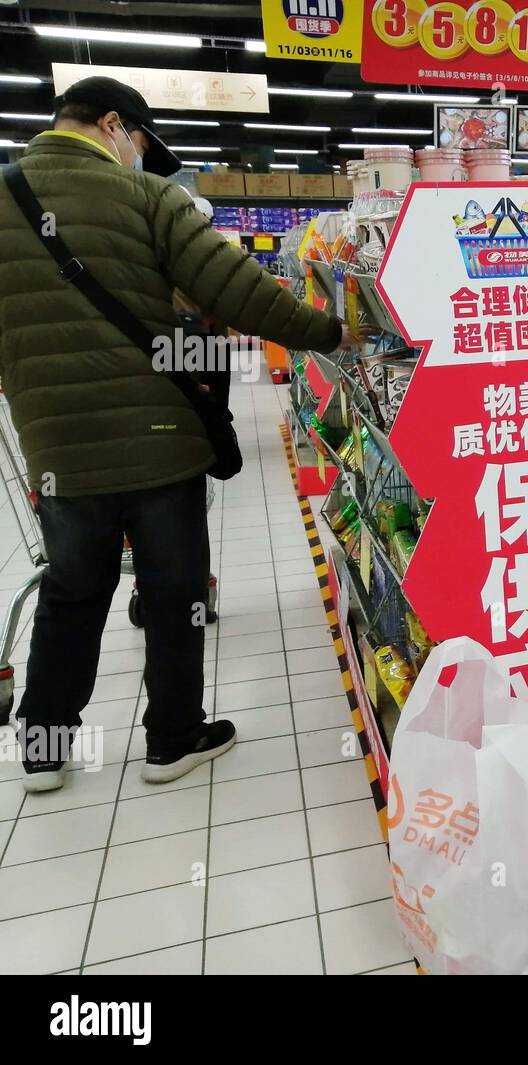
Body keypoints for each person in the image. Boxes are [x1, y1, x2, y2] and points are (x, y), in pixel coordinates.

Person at [0, 76, 352, 792]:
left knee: (71, 589)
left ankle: (42, 749)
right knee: (172, 587)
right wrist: (335, 332)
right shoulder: (147, 199)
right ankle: (172, 739)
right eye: (138, 142)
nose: (139, 157)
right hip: (160, 438)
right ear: (110, 124)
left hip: (57, 448)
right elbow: (236, 289)